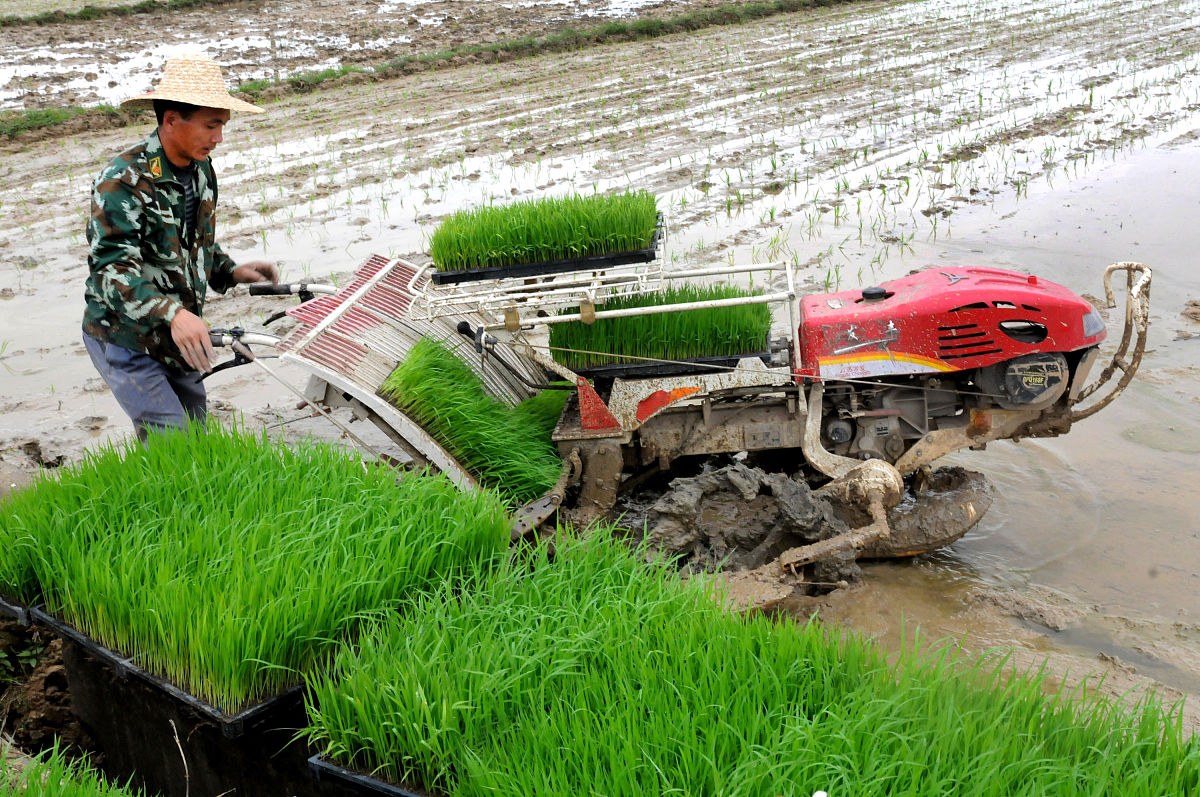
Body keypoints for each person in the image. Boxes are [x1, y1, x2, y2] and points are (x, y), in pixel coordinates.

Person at [82, 54, 278, 442]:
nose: (218, 137)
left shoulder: (201, 170)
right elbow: (112, 271)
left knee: (197, 439)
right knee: (172, 440)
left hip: (178, 335)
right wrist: (173, 313)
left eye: (222, 125)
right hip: (126, 335)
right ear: (171, 120)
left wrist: (230, 271)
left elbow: (192, 245)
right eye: (211, 125)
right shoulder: (122, 181)